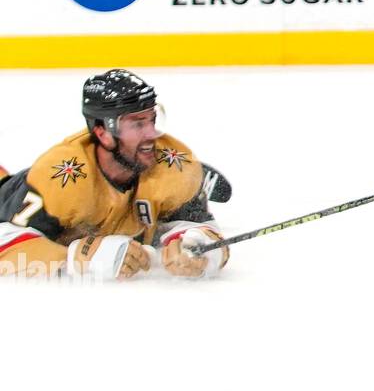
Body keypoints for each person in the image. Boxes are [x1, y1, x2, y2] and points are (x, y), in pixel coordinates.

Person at [0, 70, 230, 280]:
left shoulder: (171, 164)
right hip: (10, 195)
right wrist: (79, 258)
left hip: (121, 206)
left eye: (152, 120)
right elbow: (5, 246)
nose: (152, 135)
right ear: (102, 133)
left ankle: (194, 182)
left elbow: (208, 233)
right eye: (137, 125)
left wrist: (201, 247)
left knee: (178, 175)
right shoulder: (60, 178)